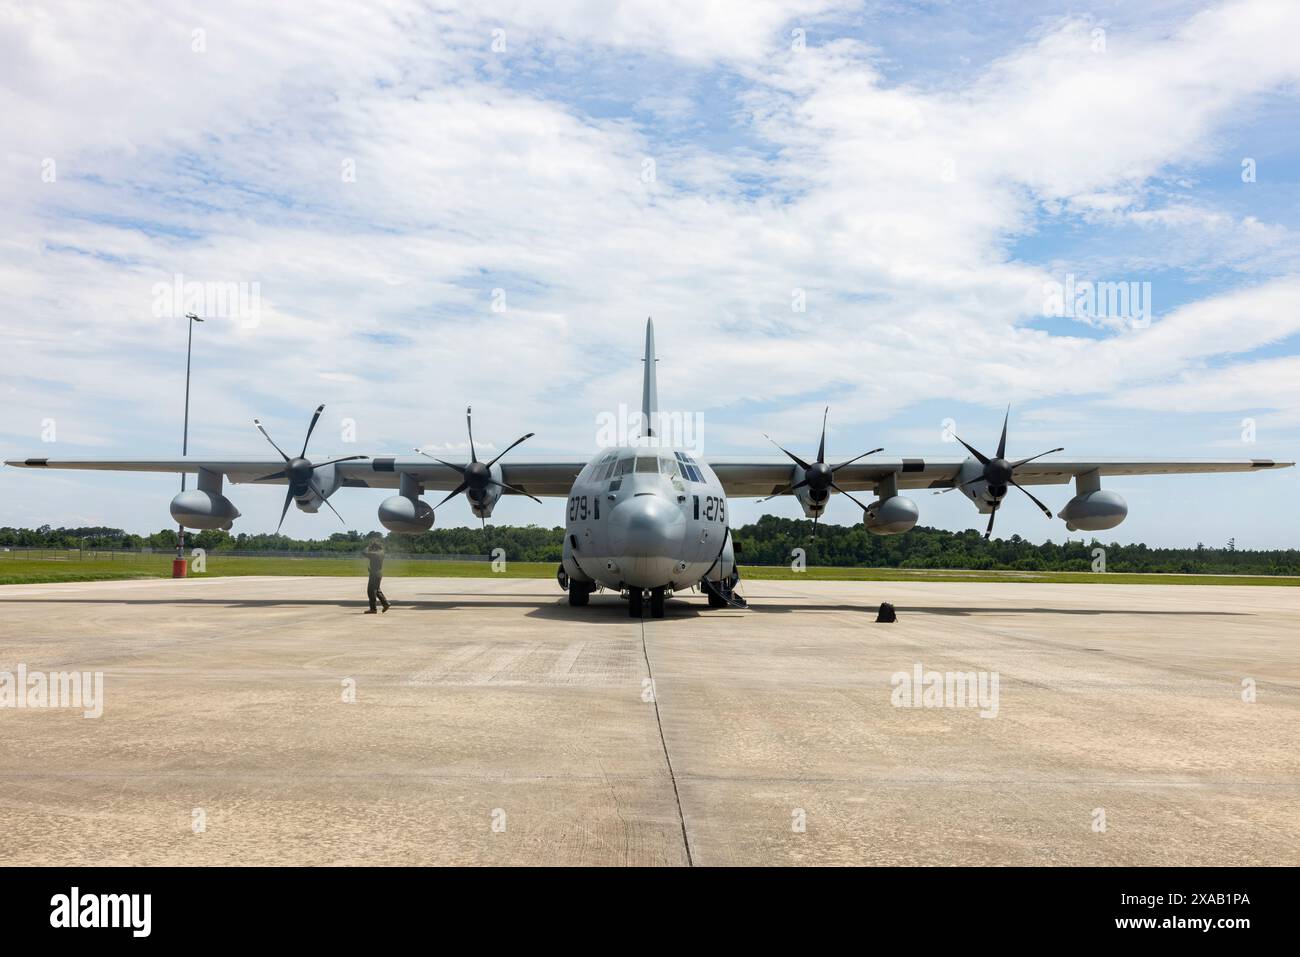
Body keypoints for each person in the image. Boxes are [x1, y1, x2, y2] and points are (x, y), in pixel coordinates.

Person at [364, 540, 390, 614]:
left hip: (374, 574)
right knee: (377, 590)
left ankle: (373, 609)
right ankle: (385, 603)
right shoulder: (382, 553)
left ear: (374, 547)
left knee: (371, 591)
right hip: (378, 573)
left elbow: (364, 553)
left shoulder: (374, 554)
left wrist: (368, 547)